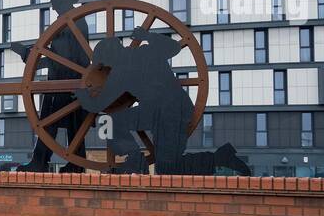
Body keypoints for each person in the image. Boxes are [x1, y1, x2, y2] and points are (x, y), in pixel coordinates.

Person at [77, 27, 250, 175]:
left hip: (169, 113)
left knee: (167, 168)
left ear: (110, 57)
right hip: (163, 110)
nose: (106, 67)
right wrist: (147, 36)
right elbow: (174, 47)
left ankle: (218, 158)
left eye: (105, 63)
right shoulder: (146, 51)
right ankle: (135, 161)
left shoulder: (120, 72)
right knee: (112, 123)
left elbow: (98, 105)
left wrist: (81, 93)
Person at [9, 0, 89, 172]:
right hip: (72, 82)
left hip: (63, 83)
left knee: (48, 122)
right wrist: (30, 56)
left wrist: (27, 54)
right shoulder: (74, 20)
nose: (51, 2)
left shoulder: (67, 22)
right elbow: (61, 57)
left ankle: (41, 161)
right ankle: (75, 164)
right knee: (73, 124)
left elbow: (62, 58)